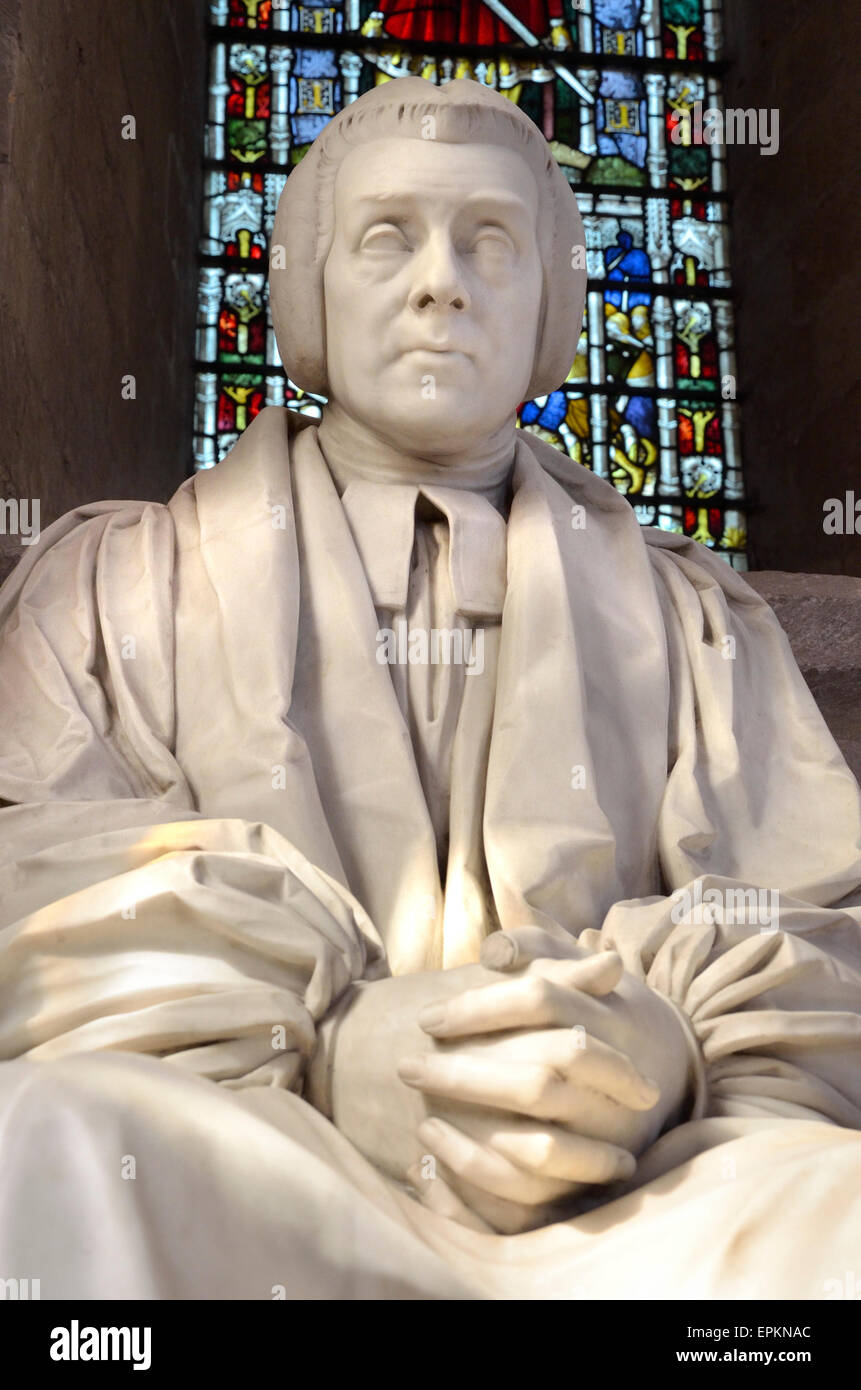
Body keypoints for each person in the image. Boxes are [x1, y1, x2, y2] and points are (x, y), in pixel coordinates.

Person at [0, 78, 859, 1299]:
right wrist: (335, 1046)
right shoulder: (114, 588)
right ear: (307, 292)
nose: (441, 280)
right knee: (53, 1141)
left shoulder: (695, 621)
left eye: (491, 241)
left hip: (650, 1193)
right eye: (388, 237)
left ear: (552, 307)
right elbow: (33, 888)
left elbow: (824, 923)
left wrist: (664, 1054)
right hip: (263, 1144)